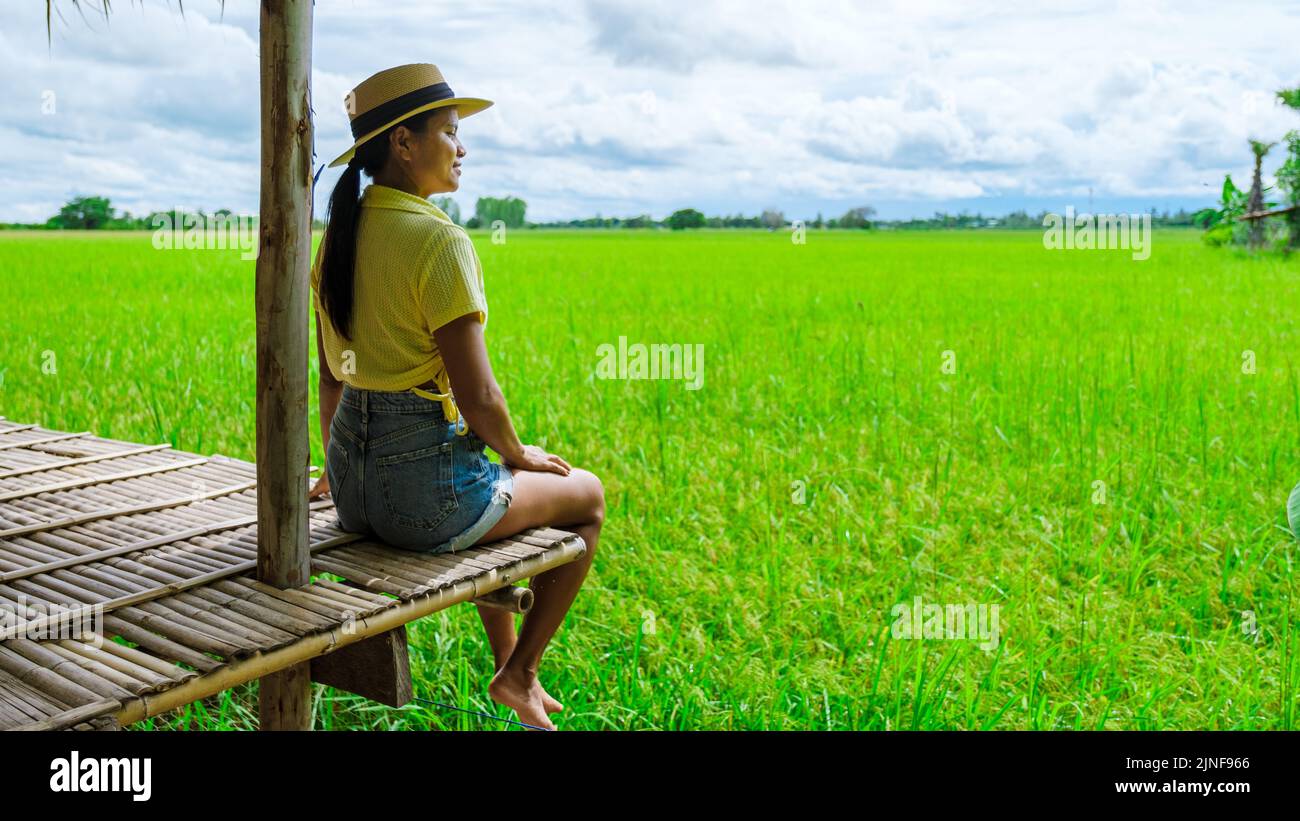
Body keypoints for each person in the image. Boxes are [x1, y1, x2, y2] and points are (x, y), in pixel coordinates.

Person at [306, 64, 605, 731]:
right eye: (449, 132)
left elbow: (331, 376)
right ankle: (520, 672)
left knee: (492, 475)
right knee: (585, 496)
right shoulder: (439, 240)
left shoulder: (339, 239)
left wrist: (333, 468)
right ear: (404, 143)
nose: (462, 148)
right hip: (423, 504)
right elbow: (478, 395)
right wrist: (519, 452)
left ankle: (511, 671)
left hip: (354, 492)